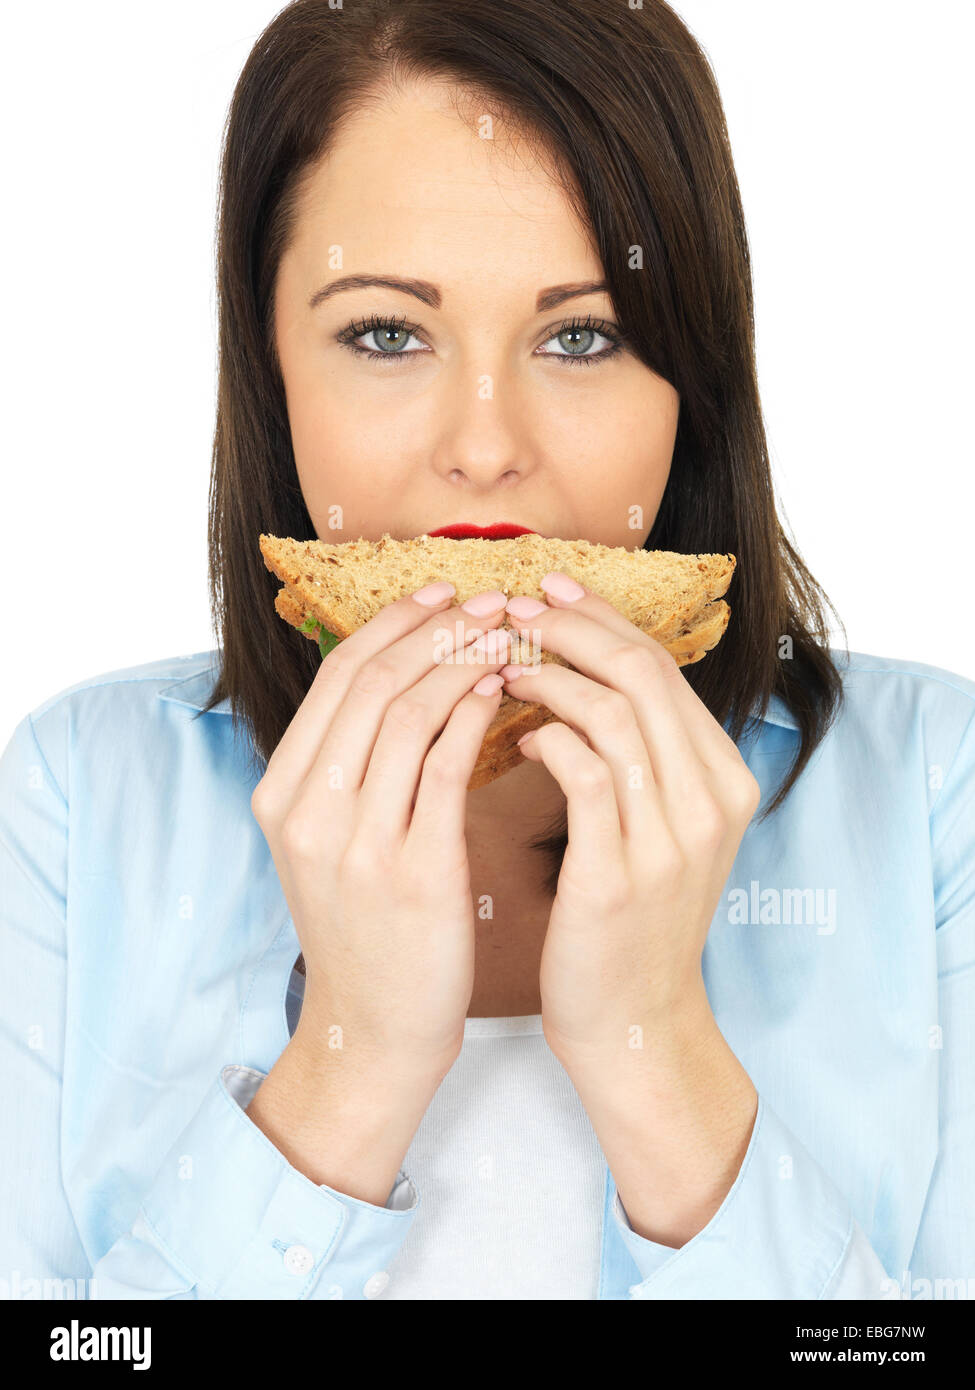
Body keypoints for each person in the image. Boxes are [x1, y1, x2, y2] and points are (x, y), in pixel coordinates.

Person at [2, 0, 972, 1302]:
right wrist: (349, 1063)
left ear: (694, 382)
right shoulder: (81, 800)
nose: (484, 447)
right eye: (386, 333)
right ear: (268, 365)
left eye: (582, 335)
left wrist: (659, 1051)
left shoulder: (930, 797)